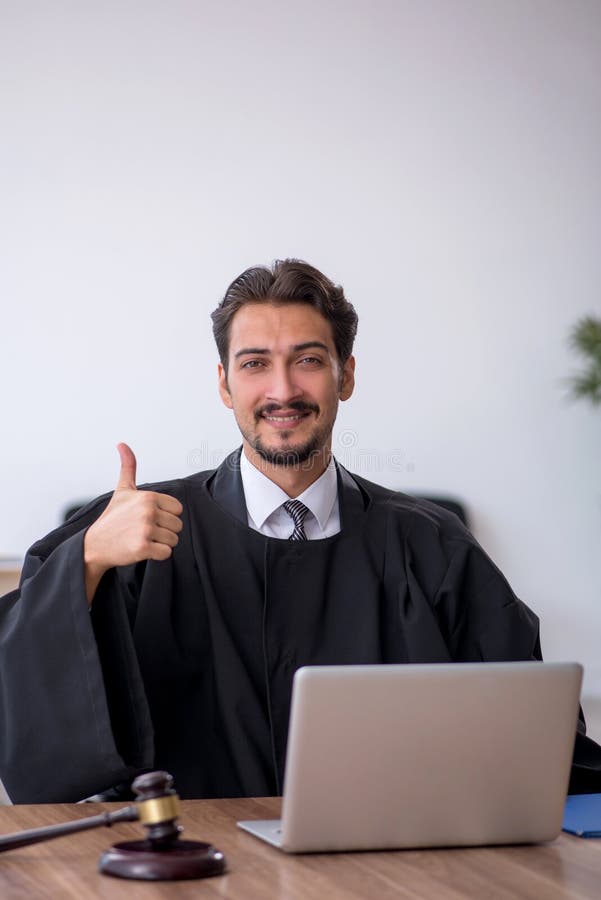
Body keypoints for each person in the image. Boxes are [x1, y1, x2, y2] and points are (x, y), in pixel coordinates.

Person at [1, 259, 600, 803]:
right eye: (255, 364)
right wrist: (87, 561)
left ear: (346, 376)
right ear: (224, 384)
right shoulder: (132, 530)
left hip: (391, 857)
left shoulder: (433, 547)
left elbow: (539, 736)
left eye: (308, 360)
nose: (282, 390)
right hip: (188, 857)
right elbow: (27, 709)